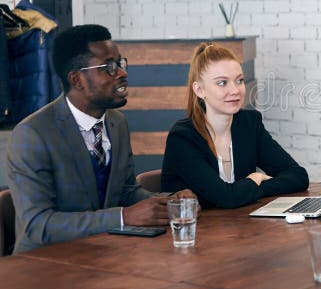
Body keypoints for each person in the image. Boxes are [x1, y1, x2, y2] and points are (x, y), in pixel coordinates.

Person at [6, 25, 195, 254]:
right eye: (109, 67)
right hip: (44, 266)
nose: (122, 73)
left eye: (120, 63)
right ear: (77, 79)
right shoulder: (32, 134)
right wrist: (124, 217)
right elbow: (39, 225)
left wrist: (170, 203)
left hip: (104, 255)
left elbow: (125, 191)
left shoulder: (117, 123)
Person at [161, 42, 308, 209]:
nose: (235, 90)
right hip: (193, 232)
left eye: (239, 80)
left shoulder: (249, 124)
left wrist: (252, 187)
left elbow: (298, 176)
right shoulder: (183, 137)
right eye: (222, 83)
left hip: (240, 228)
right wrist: (254, 179)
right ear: (199, 90)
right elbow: (227, 198)